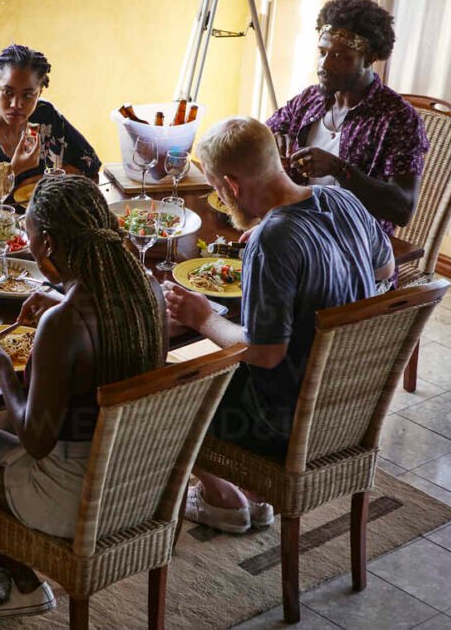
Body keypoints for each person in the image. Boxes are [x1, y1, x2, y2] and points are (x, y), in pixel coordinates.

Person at [0, 176, 165, 617]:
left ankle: (19, 577)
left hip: (76, 500)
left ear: (48, 243)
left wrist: (1, 364)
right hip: (140, 481)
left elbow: (37, 440)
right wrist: (57, 298)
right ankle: (4, 567)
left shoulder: (64, 324)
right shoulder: (148, 292)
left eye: (29, 236)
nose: (28, 246)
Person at [164, 117, 394, 534]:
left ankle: (223, 499)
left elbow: (265, 354)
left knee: (168, 396)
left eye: (217, 187)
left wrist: (203, 317)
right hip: (349, 404)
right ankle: (249, 493)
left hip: (283, 424)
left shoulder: (275, 240)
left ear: (231, 186)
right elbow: (385, 266)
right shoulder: (342, 200)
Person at [267, 0, 428, 238]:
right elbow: (263, 133)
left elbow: (403, 208)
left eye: (340, 56)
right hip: (296, 230)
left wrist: (339, 169)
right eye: (322, 52)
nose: (324, 64)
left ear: (370, 58)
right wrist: (271, 142)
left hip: (356, 248)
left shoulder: (398, 119)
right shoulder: (310, 100)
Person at [0, 44, 102, 200]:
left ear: (39, 92)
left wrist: (47, 179)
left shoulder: (46, 116)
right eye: (8, 92)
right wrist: (13, 170)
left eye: (28, 95)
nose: (16, 104)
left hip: (43, 219)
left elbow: (90, 165)